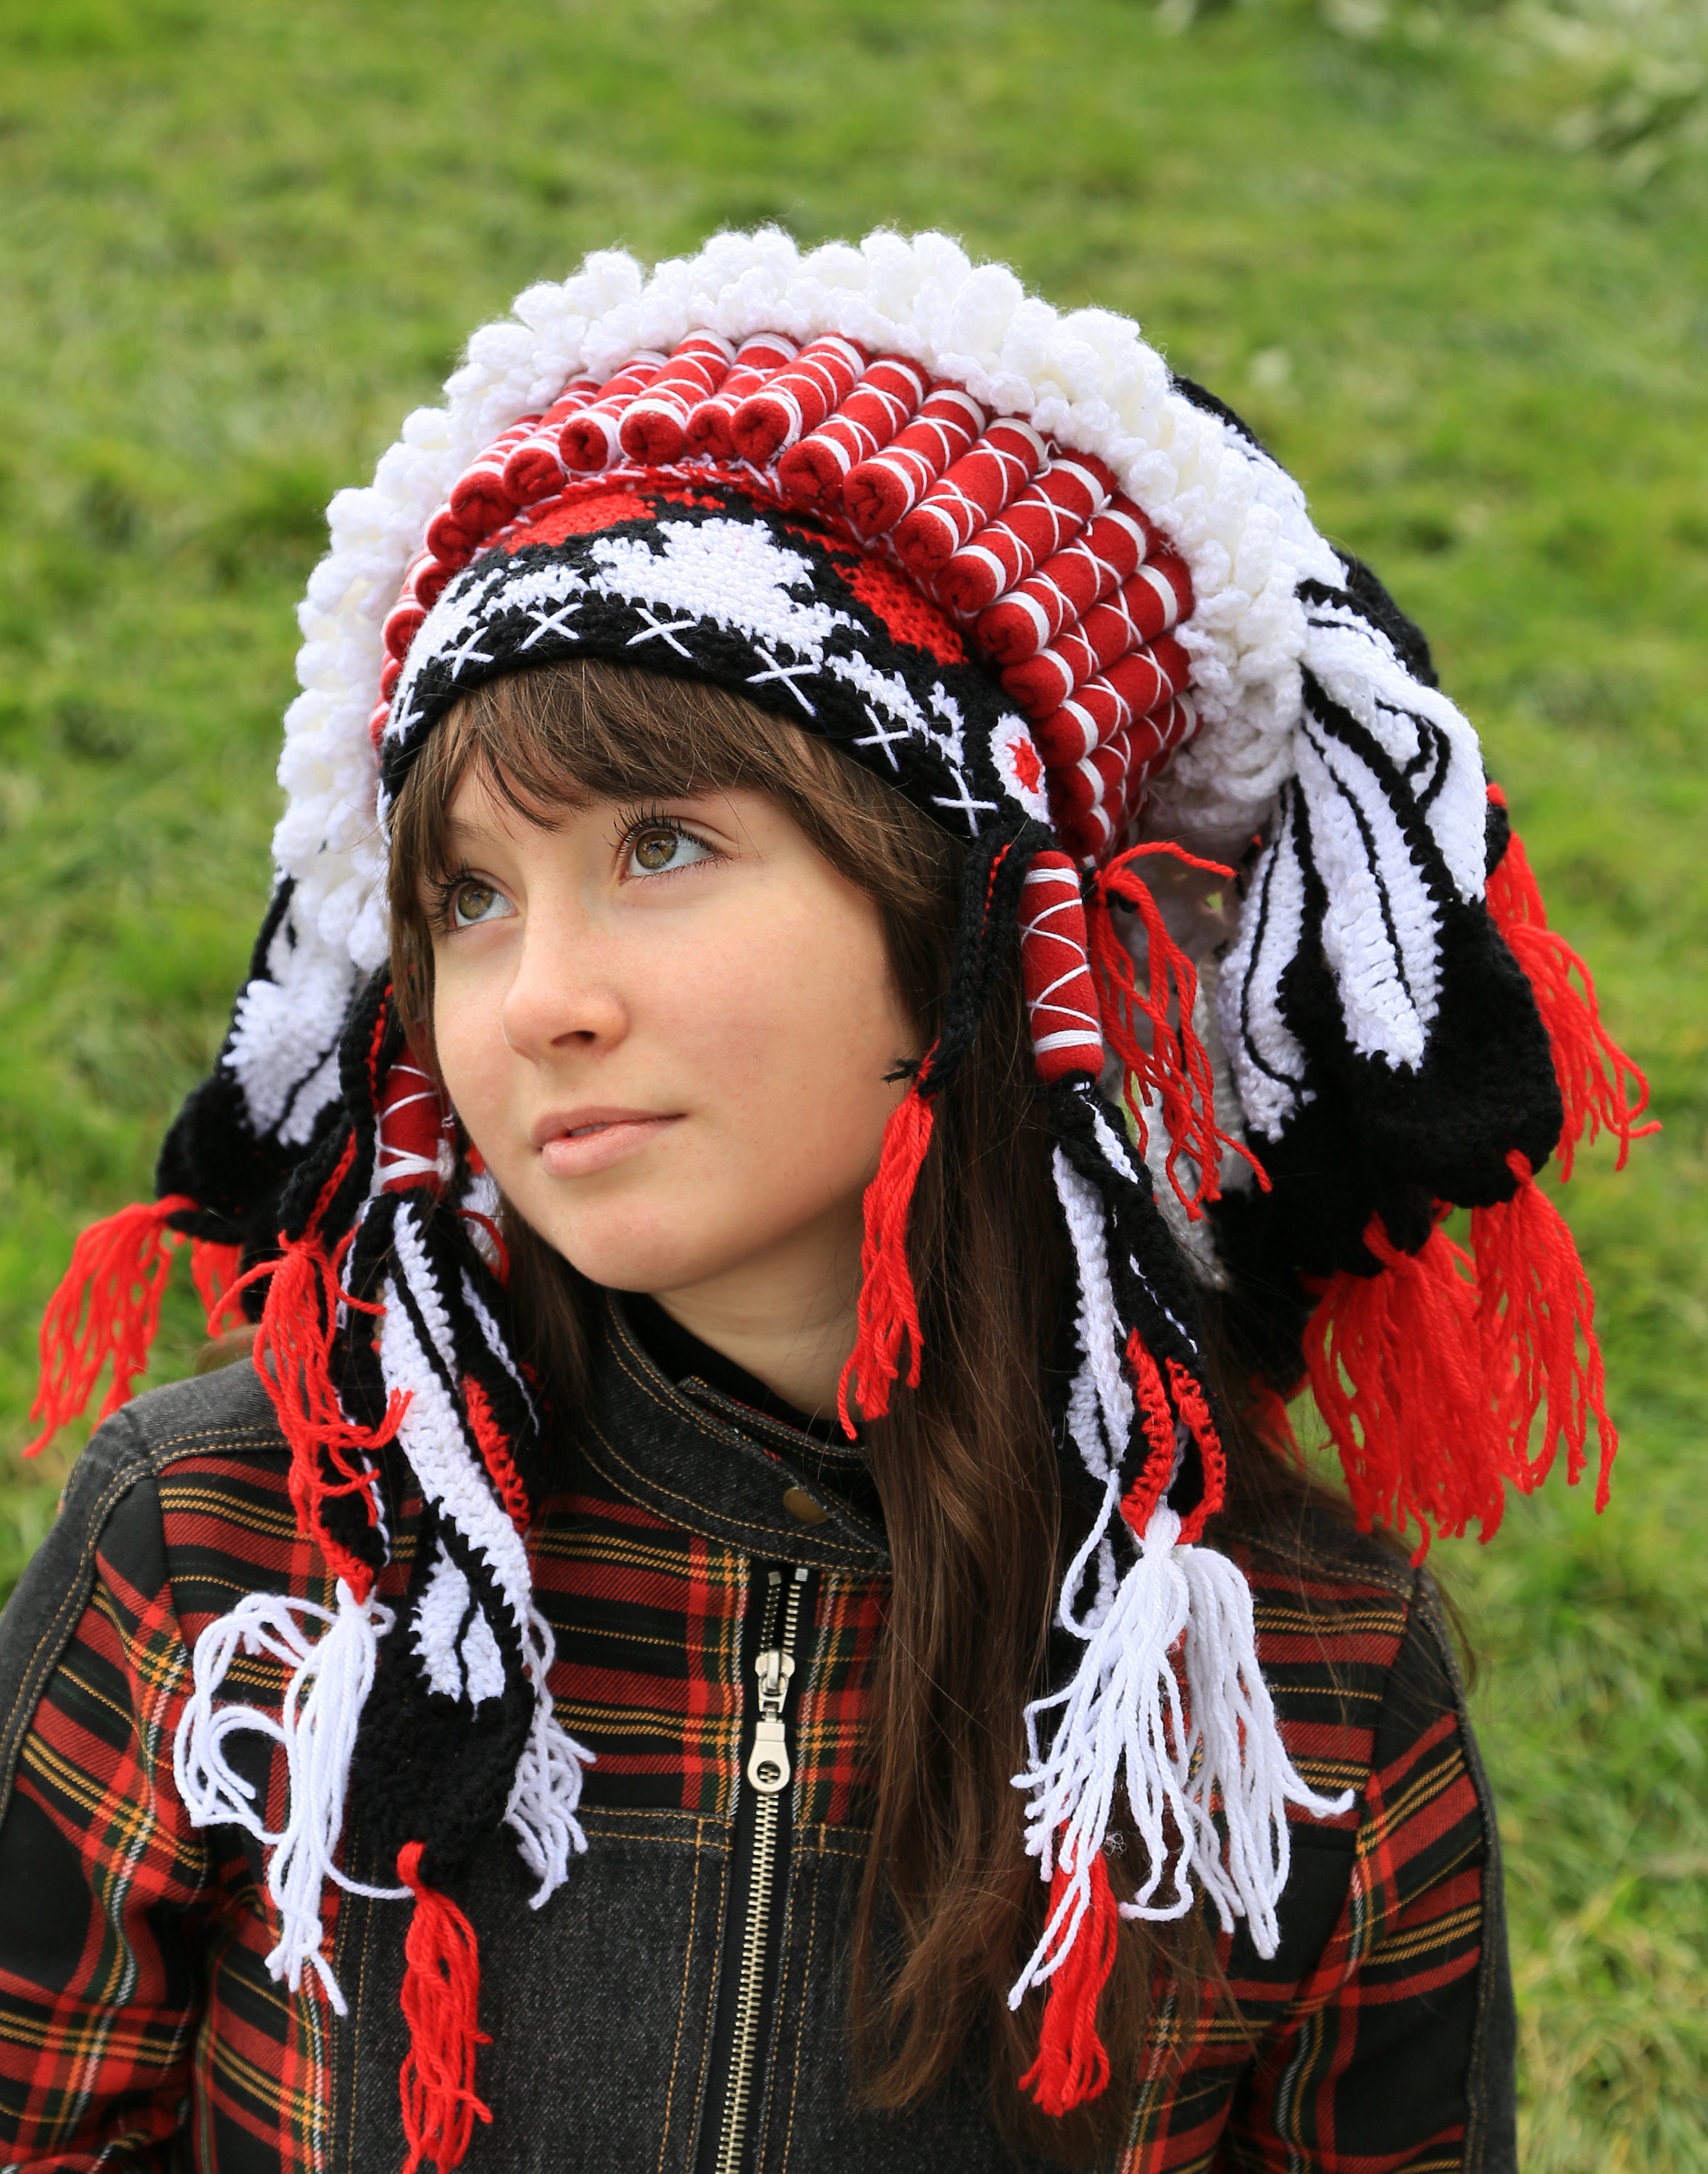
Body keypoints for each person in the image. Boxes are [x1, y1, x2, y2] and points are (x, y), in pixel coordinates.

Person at [0, 228, 1652, 2174]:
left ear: (972, 918)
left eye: (665, 846)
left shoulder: (1287, 1692)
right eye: (469, 896)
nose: (539, 1001)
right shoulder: (231, 1562)